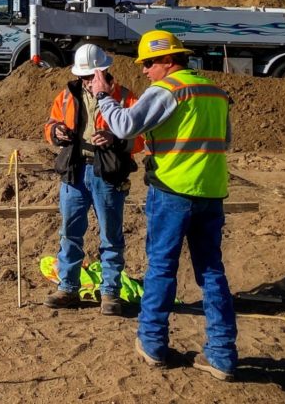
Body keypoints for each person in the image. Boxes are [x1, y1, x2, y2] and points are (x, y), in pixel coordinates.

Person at [91, 30, 237, 381]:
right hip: (211, 193)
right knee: (212, 272)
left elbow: (125, 125)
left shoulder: (167, 90)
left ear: (168, 60)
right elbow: (225, 140)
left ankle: (153, 344)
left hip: (172, 191)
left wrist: (103, 97)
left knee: (161, 268)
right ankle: (222, 356)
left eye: (149, 63)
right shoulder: (215, 92)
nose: (144, 70)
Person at [42, 44, 142, 316]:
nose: (87, 81)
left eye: (91, 75)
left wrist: (115, 138)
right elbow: (50, 125)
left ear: (103, 71)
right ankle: (68, 287)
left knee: (110, 235)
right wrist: (57, 132)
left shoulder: (124, 97)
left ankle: (110, 292)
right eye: (83, 76)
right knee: (70, 232)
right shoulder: (67, 96)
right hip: (75, 169)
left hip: (107, 172)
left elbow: (140, 138)